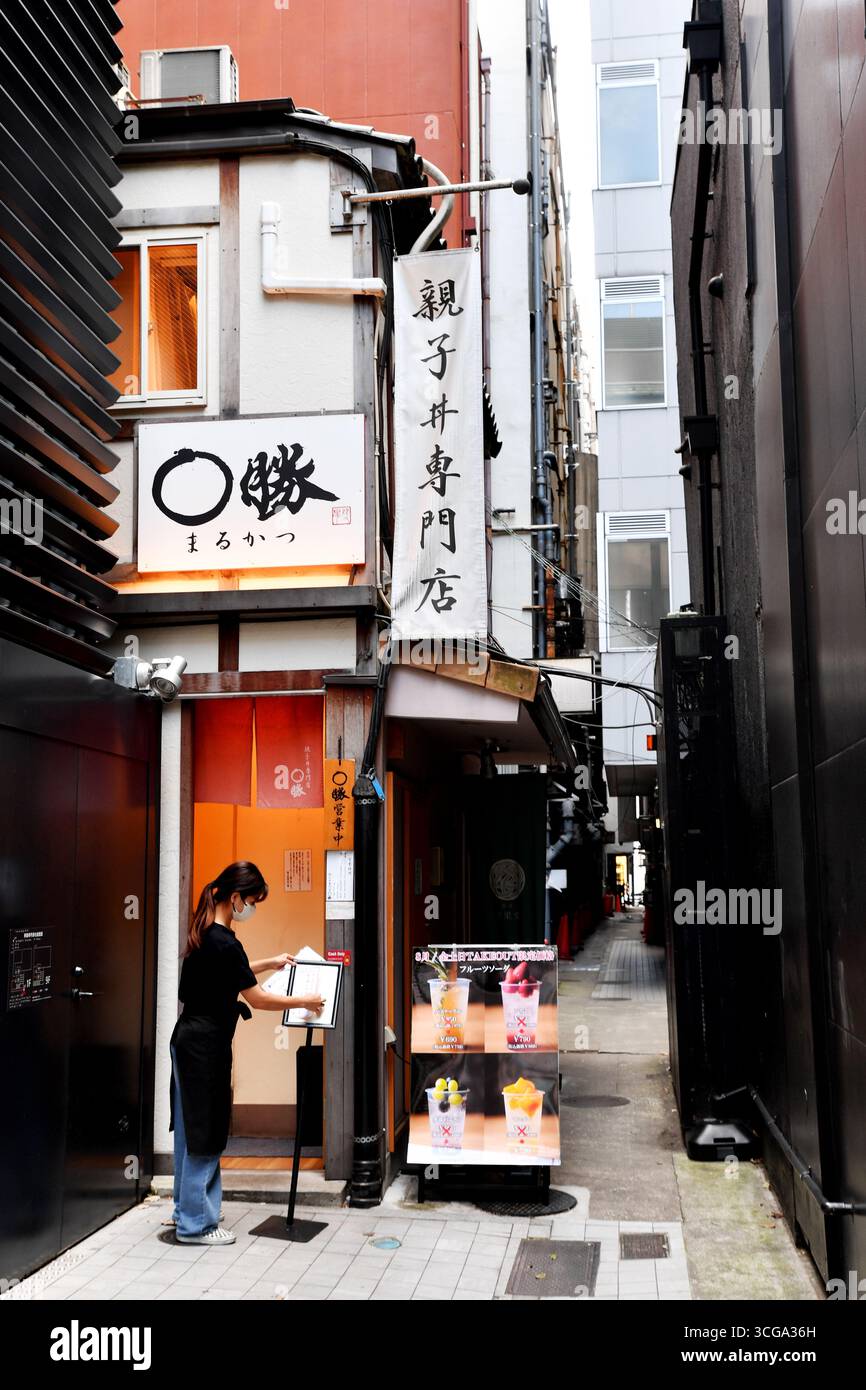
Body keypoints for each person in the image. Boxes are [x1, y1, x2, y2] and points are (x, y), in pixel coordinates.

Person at [167, 860, 325, 1246]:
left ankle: (186, 1210)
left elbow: (234, 973)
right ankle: (196, 1225)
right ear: (235, 898)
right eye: (252, 901)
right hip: (205, 1047)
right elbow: (256, 996)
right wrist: (305, 998)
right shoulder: (225, 942)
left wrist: (270, 962)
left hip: (186, 1038)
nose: (252, 908)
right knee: (207, 1131)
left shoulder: (205, 932)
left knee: (190, 1131)